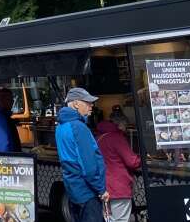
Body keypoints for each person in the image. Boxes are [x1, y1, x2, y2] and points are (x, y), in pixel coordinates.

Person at [56, 88, 108, 222]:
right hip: (87, 192)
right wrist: (101, 189)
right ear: (75, 104)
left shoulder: (61, 125)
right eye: (88, 102)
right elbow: (88, 166)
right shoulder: (78, 127)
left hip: (74, 189)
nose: (91, 106)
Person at [96, 115, 141, 222]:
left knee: (109, 219)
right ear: (119, 125)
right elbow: (132, 162)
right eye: (125, 126)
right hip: (119, 188)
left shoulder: (98, 138)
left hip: (104, 187)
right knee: (120, 219)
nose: (125, 129)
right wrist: (141, 158)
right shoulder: (116, 138)